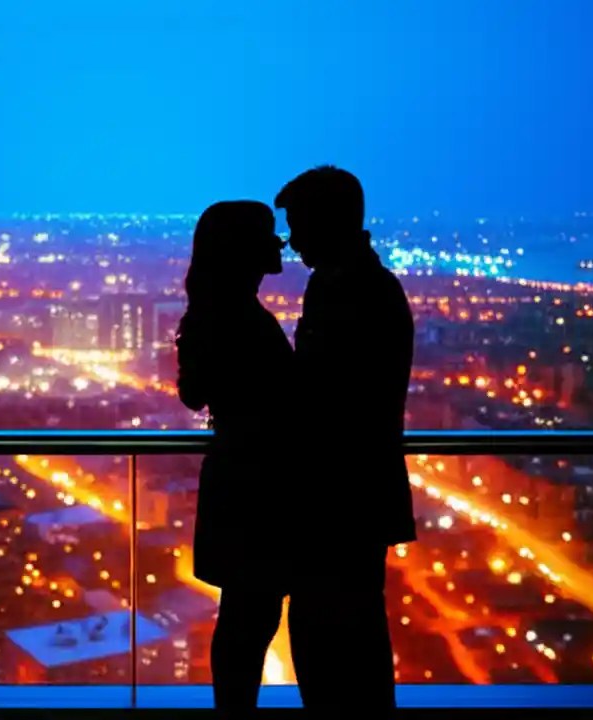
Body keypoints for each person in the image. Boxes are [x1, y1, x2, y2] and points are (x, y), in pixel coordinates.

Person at [276, 165, 416, 716]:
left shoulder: (360, 293)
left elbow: (334, 399)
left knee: (338, 638)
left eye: (299, 226)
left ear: (326, 223)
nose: (293, 242)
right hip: (344, 495)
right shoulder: (341, 285)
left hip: (344, 497)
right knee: (336, 634)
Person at [175, 200, 295, 715]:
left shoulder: (213, 315)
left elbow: (194, 393)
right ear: (242, 249)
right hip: (260, 487)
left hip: (237, 480)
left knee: (244, 616)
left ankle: (234, 716)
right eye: (269, 234)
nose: (280, 243)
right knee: (252, 618)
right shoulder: (246, 320)